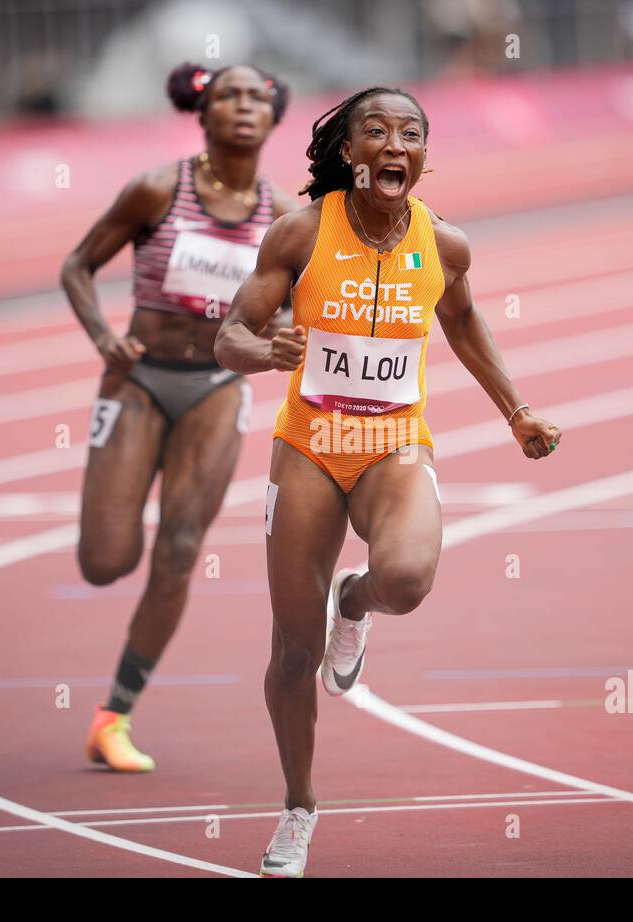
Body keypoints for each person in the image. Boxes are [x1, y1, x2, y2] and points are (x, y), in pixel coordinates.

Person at [215, 86, 562, 876]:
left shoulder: (445, 244)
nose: (393, 142)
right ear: (350, 152)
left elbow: (465, 321)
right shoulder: (300, 233)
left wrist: (518, 410)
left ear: (424, 159)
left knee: (405, 578)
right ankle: (299, 805)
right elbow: (229, 333)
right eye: (375, 130)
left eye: (410, 132)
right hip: (309, 445)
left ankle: (356, 601)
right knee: (292, 652)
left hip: (394, 441)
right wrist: (261, 349)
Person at [60, 62, 297, 772]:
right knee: (106, 561)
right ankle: (113, 697)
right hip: (139, 381)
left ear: (274, 117)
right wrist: (106, 337)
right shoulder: (158, 189)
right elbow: (77, 265)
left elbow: (289, 306)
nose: (244, 106)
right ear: (203, 111)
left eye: (258, 96)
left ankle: (114, 715)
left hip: (217, 386)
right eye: (229, 95)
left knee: (182, 546)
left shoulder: (283, 218)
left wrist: (277, 334)